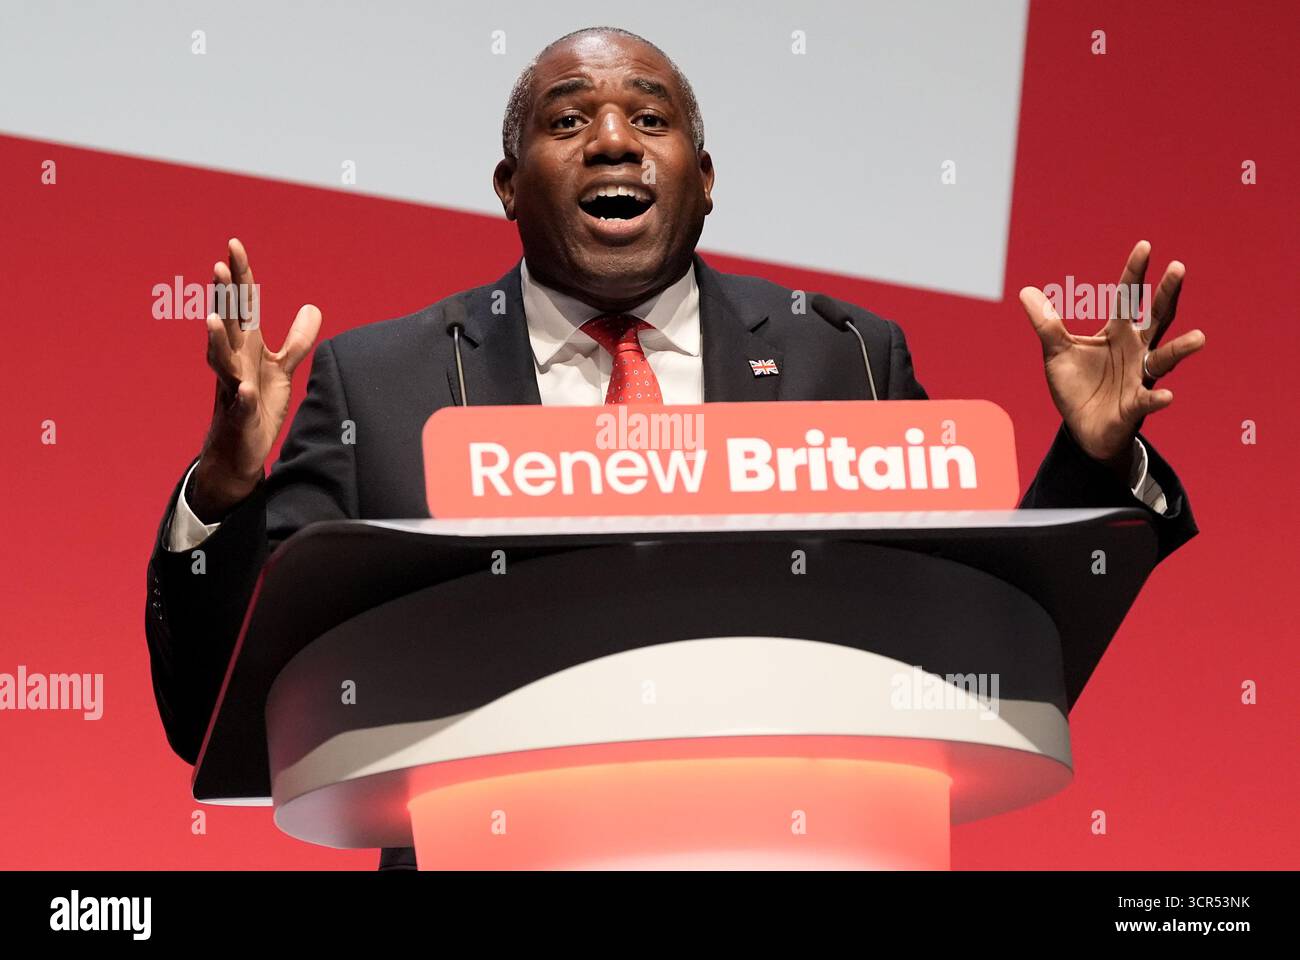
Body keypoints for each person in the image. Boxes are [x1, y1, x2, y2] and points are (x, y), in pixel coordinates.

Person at [145, 26, 1203, 871]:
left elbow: (960, 620)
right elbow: (221, 704)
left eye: (648, 118)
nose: (613, 139)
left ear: (702, 178)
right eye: (571, 120)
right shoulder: (384, 381)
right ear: (509, 185)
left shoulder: (840, 355)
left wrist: (1093, 462)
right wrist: (225, 492)